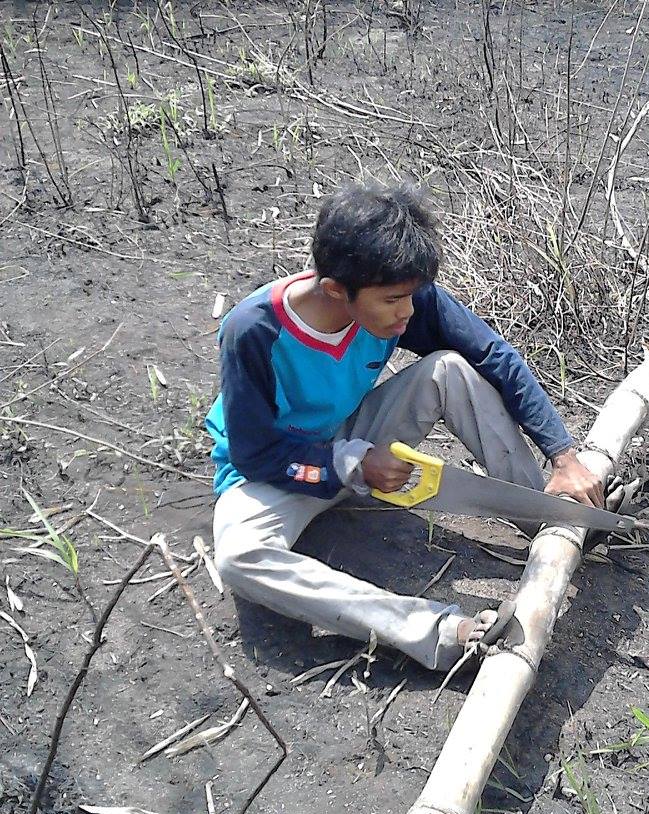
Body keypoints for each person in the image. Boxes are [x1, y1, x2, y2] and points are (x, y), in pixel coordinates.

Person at [206, 182, 603, 672]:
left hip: (351, 435)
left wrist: (563, 455)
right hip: (276, 472)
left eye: (412, 297)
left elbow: (491, 354)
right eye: (393, 301)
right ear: (336, 290)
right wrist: (347, 463)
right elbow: (253, 453)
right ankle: (443, 633)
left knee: (450, 369)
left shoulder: (399, 293)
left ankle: (552, 516)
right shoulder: (255, 331)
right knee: (239, 558)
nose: (408, 314)